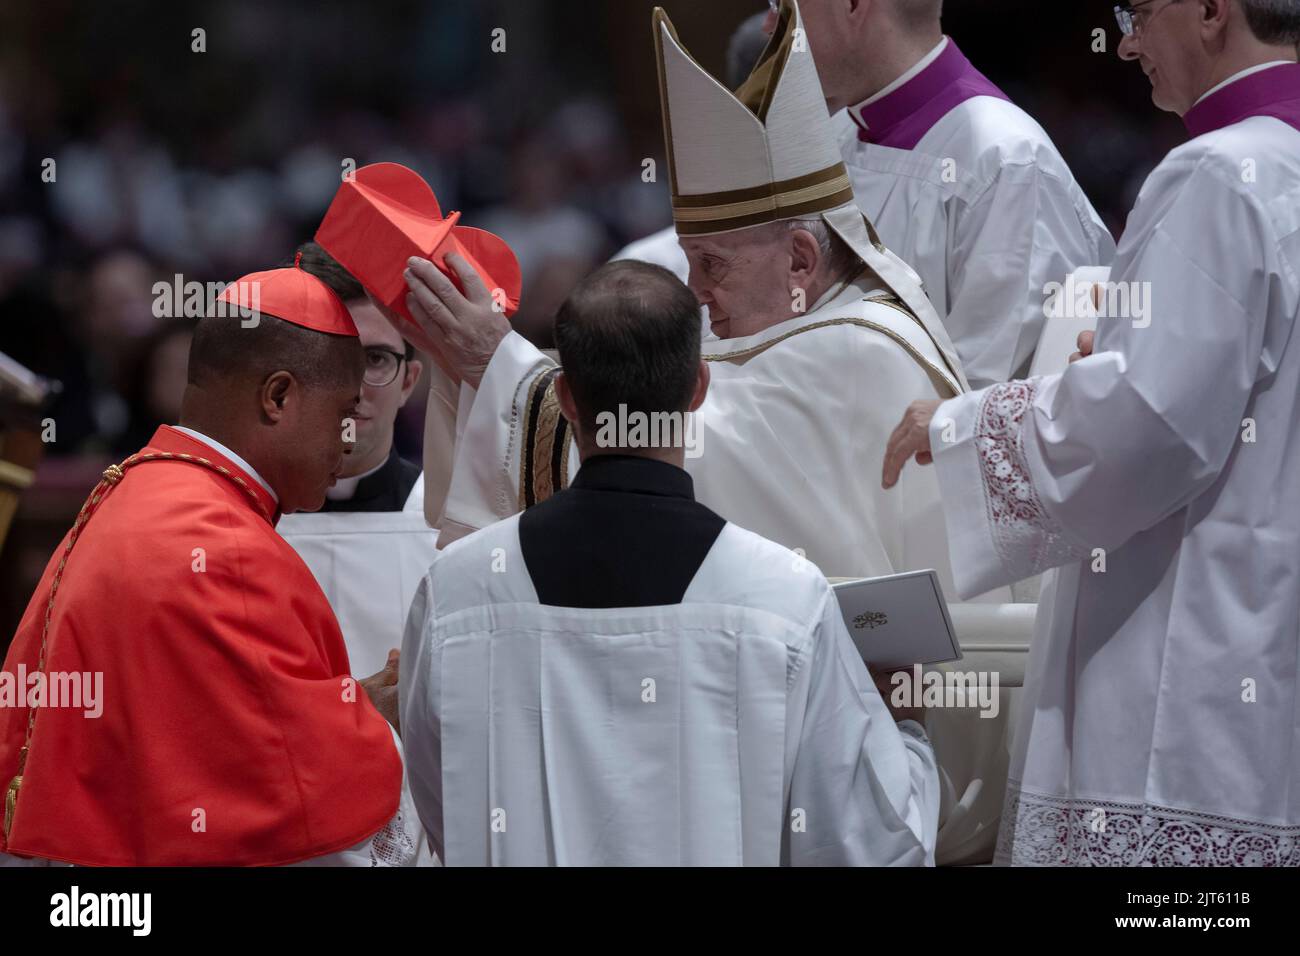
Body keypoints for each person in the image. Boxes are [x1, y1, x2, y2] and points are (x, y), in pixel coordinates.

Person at [391, 0, 1015, 866]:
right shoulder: (801, 325)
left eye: (712, 262)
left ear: (801, 259)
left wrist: (502, 365)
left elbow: (657, 465)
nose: (696, 287)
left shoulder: (858, 354)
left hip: (859, 737)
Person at [882, 0, 1300, 865]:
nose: (1130, 42)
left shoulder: (1218, 174)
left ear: (1213, 10)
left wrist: (960, 427)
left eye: (1139, 12)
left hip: (1191, 677)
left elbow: (1143, 430)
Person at [400, 259, 939, 865]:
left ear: (565, 397)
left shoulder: (459, 590)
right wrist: (907, 734)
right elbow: (859, 843)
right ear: (698, 389)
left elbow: (440, 795)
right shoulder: (784, 599)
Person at [0, 261, 418, 866]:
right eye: (341, 412)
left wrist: (355, 714)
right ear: (278, 397)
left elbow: (210, 738)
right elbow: (300, 817)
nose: (347, 437)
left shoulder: (147, 492)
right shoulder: (222, 549)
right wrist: (386, 734)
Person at [618, 0, 1114, 386]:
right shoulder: (828, 141)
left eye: (782, 3)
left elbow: (987, 405)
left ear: (854, 4)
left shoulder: (1006, 165)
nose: (769, 26)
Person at [276, 242, 440, 677]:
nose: (354, 387)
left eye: (375, 358)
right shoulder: (240, 524)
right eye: (331, 355)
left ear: (409, 381)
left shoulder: (449, 529)